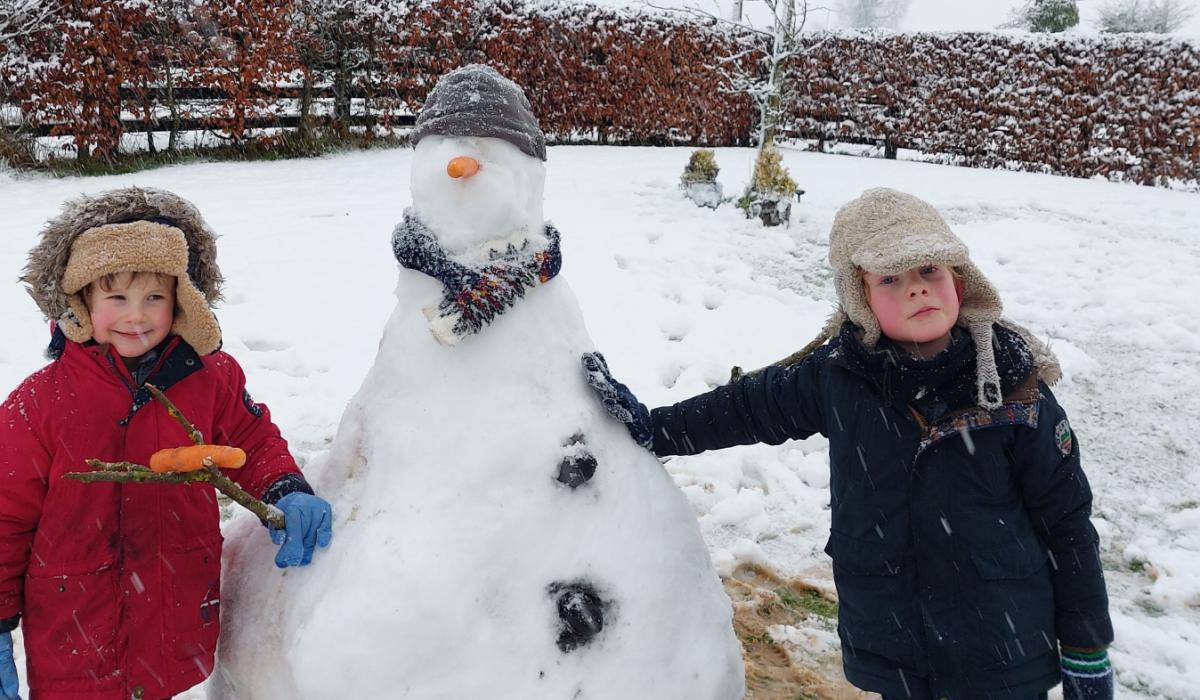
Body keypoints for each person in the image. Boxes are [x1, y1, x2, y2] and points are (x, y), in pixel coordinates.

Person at [582, 188, 1114, 700]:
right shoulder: (841, 375)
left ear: (959, 277)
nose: (917, 288)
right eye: (890, 278)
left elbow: (1066, 524)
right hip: (898, 648)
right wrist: (656, 427)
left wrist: (1087, 650)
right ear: (860, 299)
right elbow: (749, 408)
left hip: (1004, 652)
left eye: (929, 269)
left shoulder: (1014, 388)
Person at [0, 187, 333, 700]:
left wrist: (284, 486)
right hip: (75, 640)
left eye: (154, 296)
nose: (136, 316)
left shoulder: (209, 377)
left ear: (182, 300)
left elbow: (249, 438)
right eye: (116, 298)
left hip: (172, 623)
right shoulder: (40, 404)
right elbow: (4, 518)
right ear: (82, 303)